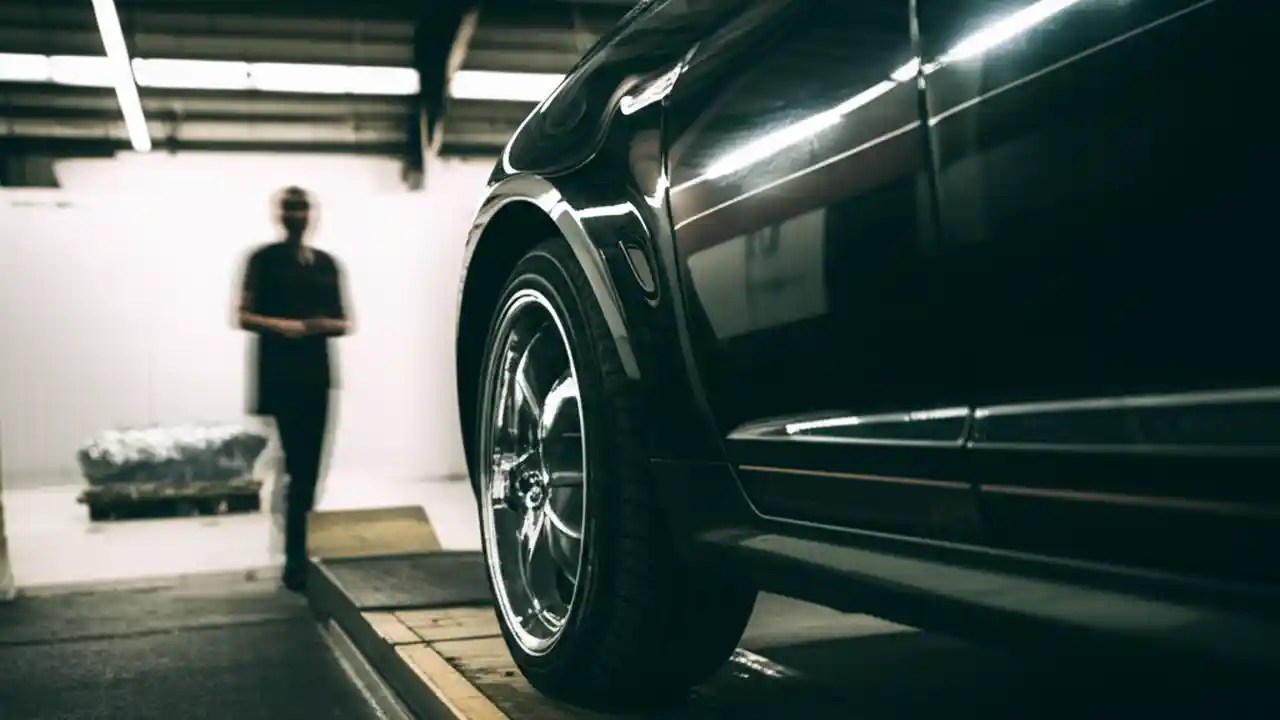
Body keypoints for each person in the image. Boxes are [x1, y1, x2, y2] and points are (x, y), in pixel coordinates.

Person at [237, 186, 350, 592]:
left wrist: (317, 327)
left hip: (317, 375)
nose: (297, 214)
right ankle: (294, 556)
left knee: (310, 468)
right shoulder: (262, 261)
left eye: (302, 207)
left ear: (312, 214)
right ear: (278, 213)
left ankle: (299, 548)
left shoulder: (326, 265)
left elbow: (345, 321)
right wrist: (285, 327)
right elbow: (242, 313)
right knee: (294, 467)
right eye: (290, 207)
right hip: (280, 376)